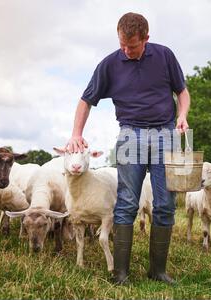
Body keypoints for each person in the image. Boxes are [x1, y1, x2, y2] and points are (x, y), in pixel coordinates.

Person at [66, 12, 190, 285]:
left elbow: (182, 91)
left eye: (131, 46)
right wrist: (76, 133)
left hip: (166, 135)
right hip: (130, 135)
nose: (126, 50)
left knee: (166, 204)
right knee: (127, 203)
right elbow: (86, 100)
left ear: (146, 38)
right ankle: (120, 273)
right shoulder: (110, 63)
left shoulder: (164, 56)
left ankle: (157, 271)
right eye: (122, 44)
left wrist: (182, 115)